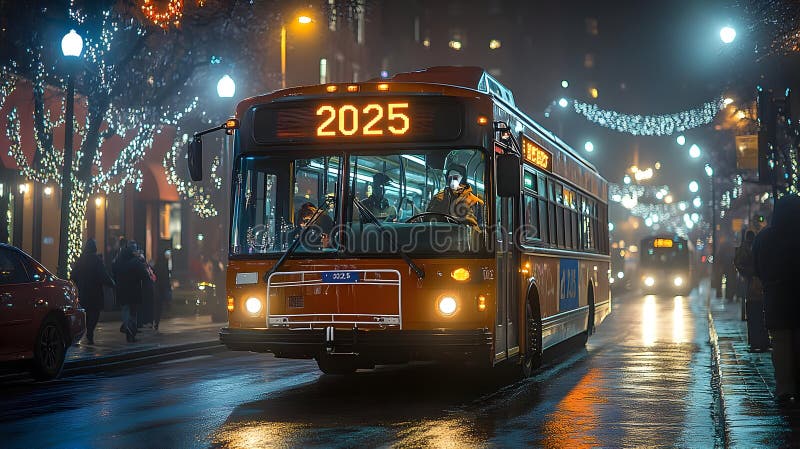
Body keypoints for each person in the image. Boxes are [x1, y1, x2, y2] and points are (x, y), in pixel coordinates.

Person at [753, 195, 800, 405]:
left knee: (780, 344)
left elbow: (757, 267)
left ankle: (784, 385)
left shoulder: (764, 238)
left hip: (776, 297)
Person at [70, 238, 115, 345]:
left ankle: (85, 331)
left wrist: (79, 283)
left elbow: (73, 275)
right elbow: (103, 275)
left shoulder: (81, 260)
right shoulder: (96, 260)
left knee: (86, 312)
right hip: (95, 291)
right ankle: (90, 331)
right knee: (94, 312)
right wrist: (111, 283)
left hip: (83, 291)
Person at [734, 229, 769, 351]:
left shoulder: (747, 249)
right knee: (758, 316)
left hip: (754, 288)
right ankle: (758, 341)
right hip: (754, 288)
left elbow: (738, 264)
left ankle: (758, 341)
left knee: (757, 316)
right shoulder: (752, 248)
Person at [112, 241, 152, 342]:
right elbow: (145, 276)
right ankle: (131, 332)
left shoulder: (119, 261)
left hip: (122, 291)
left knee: (125, 310)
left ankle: (127, 327)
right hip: (134, 291)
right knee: (133, 313)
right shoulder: (136, 262)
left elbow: (113, 272)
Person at [426, 164, 484, 229]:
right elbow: (427, 219)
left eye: (456, 177)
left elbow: (481, 230)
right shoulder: (438, 198)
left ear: (463, 178)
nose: (452, 180)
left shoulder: (476, 202)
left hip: (465, 237)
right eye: (450, 177)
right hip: (438, 236)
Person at [153, 249, 172, 332]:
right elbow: (166, 278)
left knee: (155, 306)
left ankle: (153, 322)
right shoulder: (164, 265)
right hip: (162, 288)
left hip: (156, 288)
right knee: (159, 307)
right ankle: (156, 323)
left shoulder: (156, 265)